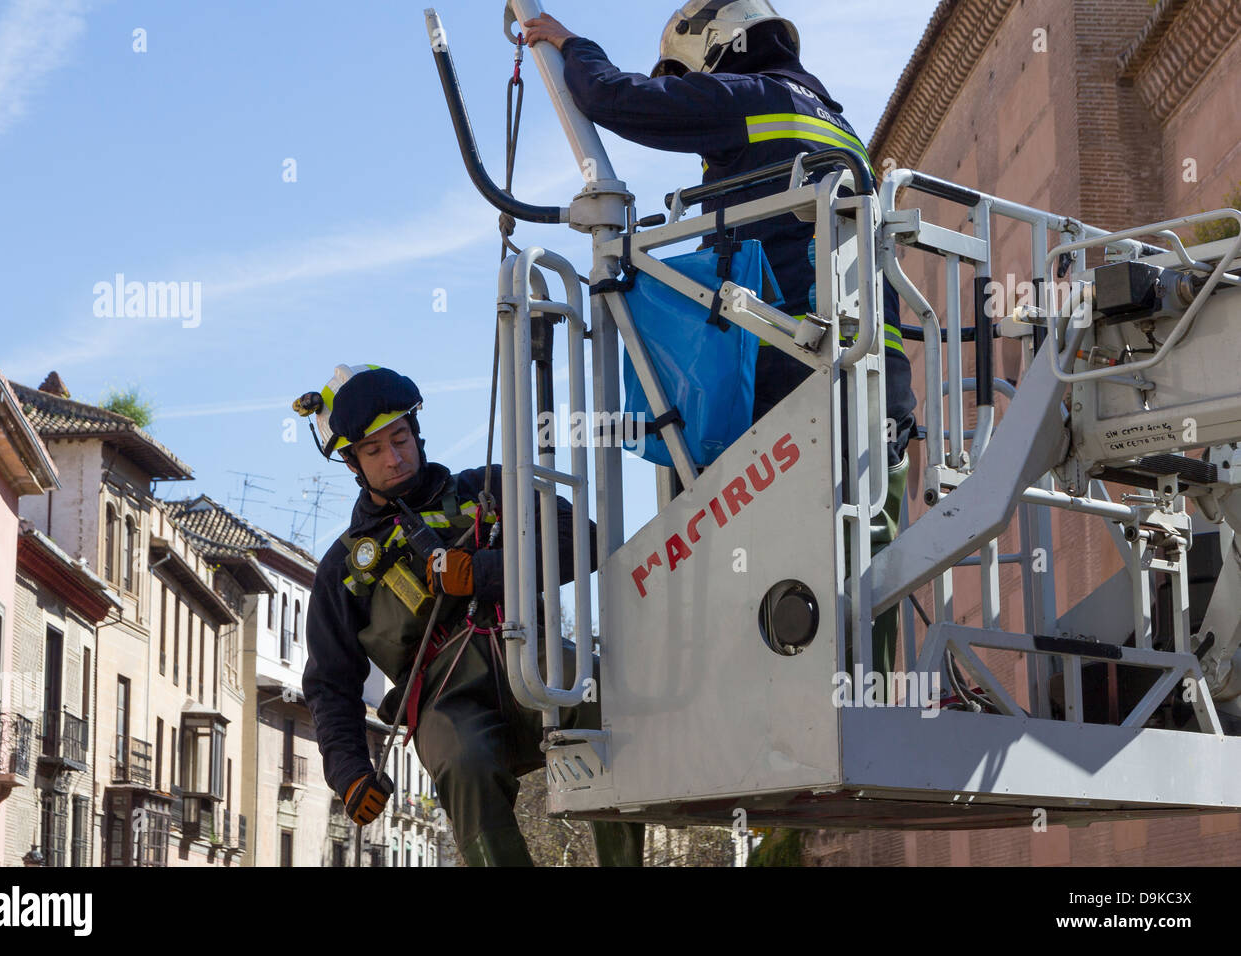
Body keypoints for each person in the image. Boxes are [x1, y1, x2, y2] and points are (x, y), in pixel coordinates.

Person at [524, 2, 917, 681]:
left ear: (716, 45)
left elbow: (617, 99)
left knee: (741, 544)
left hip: (795, 363)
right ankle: (862, 706)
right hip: (881, 378)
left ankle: (749, 712)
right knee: (858, 558)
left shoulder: (752, 98)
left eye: (687, 71)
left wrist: (573, 47)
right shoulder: (834, 124)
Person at [298, 364, 644, 866]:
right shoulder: (342, 569)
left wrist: (482, 572)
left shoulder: (490, 488)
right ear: (353, 462)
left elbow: (588, 541)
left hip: (529, 656)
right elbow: (330, 683)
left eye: (400, 439)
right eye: (374, 451)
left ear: (416, 431)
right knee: (464, 762)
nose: (394, 458)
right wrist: (349, 769)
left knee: (603, 699)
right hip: (444, 701)